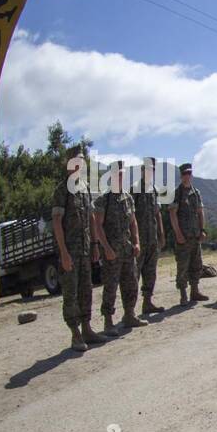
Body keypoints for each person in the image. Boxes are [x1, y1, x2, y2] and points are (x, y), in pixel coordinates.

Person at [51, 149, 106, 351]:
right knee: (71, 293)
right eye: (77, 161)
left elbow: (91, 218)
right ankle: (75, 334)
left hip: (84, 250)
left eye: (83, 162)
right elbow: (56, 222)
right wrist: (64, 253)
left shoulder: (84, 188)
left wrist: (95, 245)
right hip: (70, 252)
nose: (81, 165)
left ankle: (87, 329)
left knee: (86, 290)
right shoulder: (62, 189)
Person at [94, 161, 147, 336]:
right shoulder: (103, 200)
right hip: (112, 252)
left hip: (127, 249)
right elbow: (98, 226)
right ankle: (108, 322)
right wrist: (106, 248)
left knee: (131, 283)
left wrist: (137, 242)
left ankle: (129, 315)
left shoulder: (128, 198)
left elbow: (133, 222)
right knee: (111, 286)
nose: (120, 177)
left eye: (122, 174)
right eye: (117, 174)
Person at [168, 162, 209, 306]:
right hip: (183, 237)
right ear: (181, 176)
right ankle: (183, 294)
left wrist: (202, 230)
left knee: (197, 264)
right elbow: (172, 214)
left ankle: (195, 291)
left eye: (189, 173)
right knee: (183, 266)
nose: (187, 176)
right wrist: (178, 234)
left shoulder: (195, 192)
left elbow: (200, 212)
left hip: (195, 235)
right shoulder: (176, 193)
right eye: (185, 173)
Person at [132, 159, 166, 317]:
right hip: (140, 239)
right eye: (147, 169)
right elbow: (130, 216)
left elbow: (157, 213)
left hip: (152, 237)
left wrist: (161, 233)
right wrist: (134, 239)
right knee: (135, 274)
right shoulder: (135, 189)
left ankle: (147, 303)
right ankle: (130, 310)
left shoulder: (153, 189)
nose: (149, 172)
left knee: (150, 272)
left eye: (152, 170)